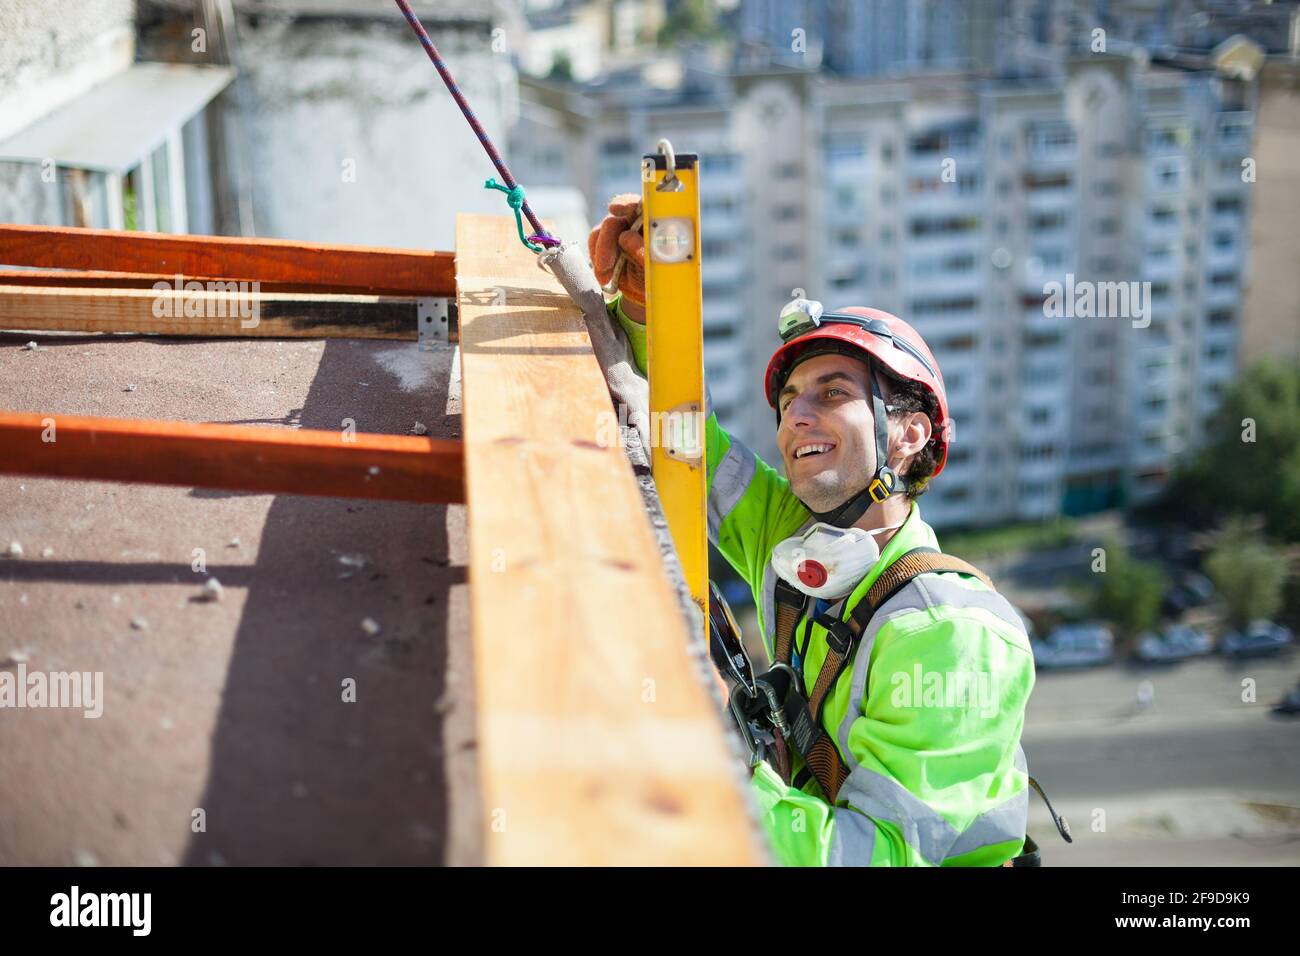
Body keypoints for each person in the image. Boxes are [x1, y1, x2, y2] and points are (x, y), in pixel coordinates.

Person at [590, 194, 1039, 866]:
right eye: (789, 400)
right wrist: (646, 298)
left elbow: (877, 856)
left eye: (831, 393)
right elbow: (685, 444)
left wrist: (715, 766)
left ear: (908, 434)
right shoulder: (802, 546)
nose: (795, 416)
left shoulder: (950, 632)